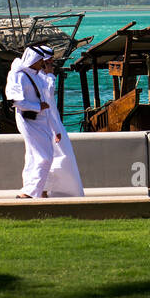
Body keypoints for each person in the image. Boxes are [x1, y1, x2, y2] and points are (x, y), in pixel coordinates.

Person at [4, 44, 55, 199]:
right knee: (45, 157)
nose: (43, 64)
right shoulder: (18, 75)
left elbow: (48, 92)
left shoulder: (34, 73)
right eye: (42, 61)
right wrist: (38, 106)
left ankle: (30, 190)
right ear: (34, 59)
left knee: (33, 156)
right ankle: (31, 192)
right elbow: (15, 101)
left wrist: (50, 74)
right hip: (28, 119)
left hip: (39, 120)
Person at [39, 55, 84, 197]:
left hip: (51, 123)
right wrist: (51, 75)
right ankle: (46, 190)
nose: (52, 67)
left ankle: (48, 190)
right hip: (50, 124)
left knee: (59, 156)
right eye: (49, 64)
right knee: (58, 155)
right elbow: (49, 92)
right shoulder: (43, 79)